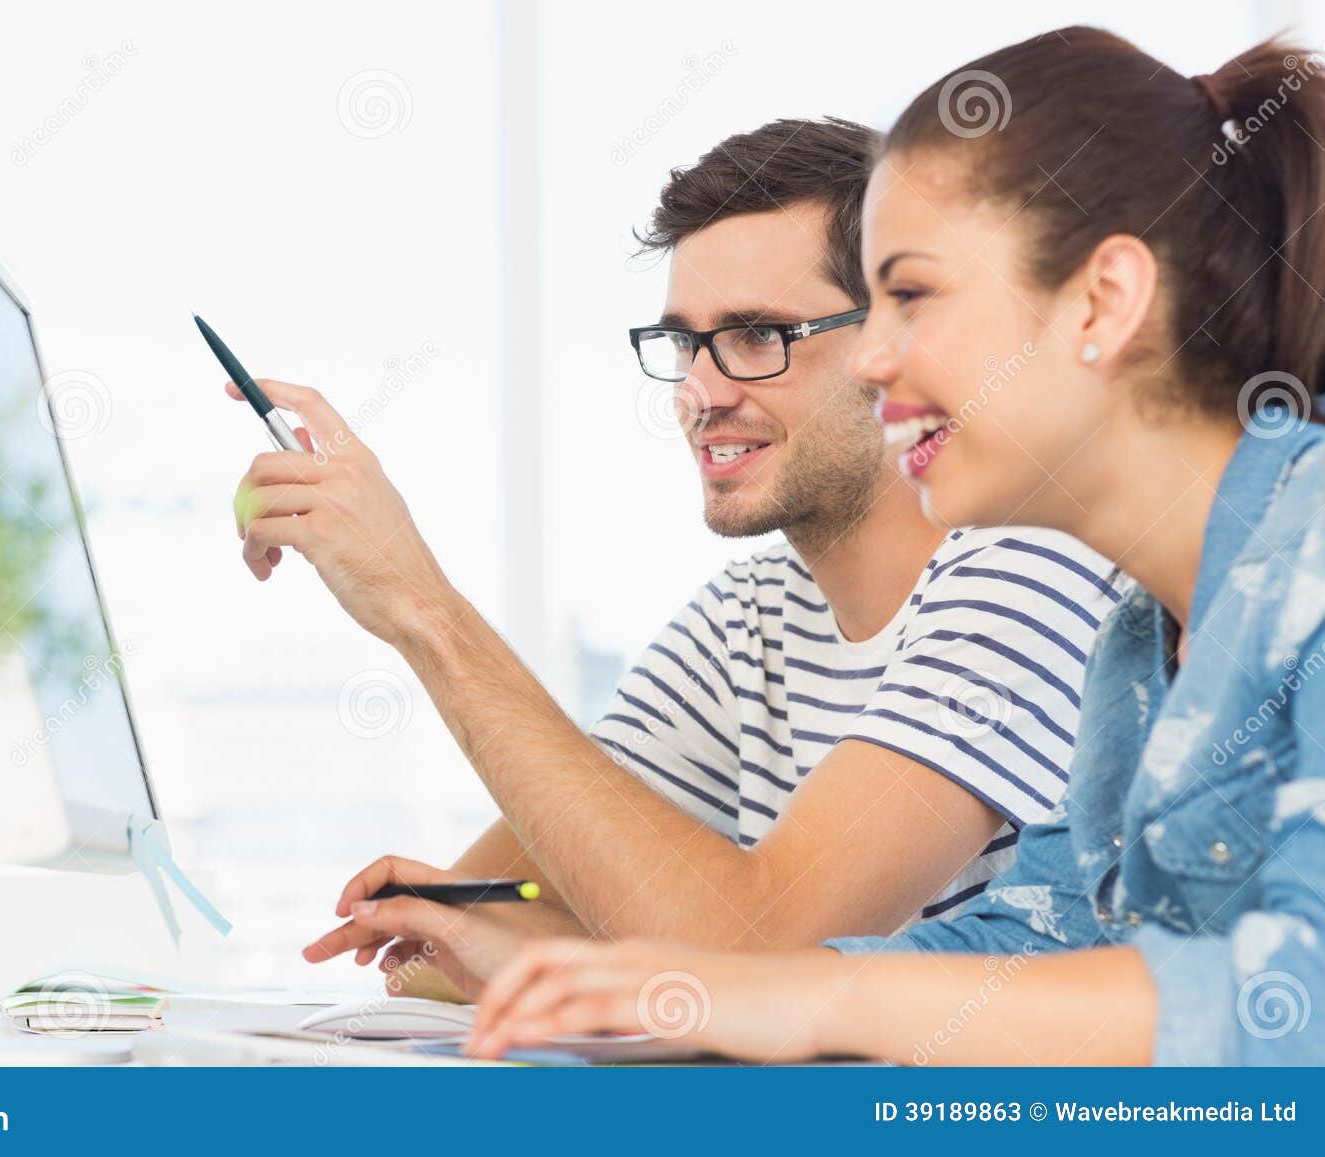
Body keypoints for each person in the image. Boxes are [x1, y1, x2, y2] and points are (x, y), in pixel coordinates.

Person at [442, 27, 1325, 1066]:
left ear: (1103, 299)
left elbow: (1288, 1001)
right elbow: (1035, 946)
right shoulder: (1142, 642)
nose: (868, 359)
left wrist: (811, 996)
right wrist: (705, 995)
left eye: (910, 295)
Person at [228, 118, 1115, 996]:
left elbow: (763, 947)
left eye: (758, 336)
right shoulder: (750, 615)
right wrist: (518, 934)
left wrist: (420, 604)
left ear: (894, 344)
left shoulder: (1032, 564)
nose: (700, 391)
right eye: (684, 343)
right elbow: (463, 926)